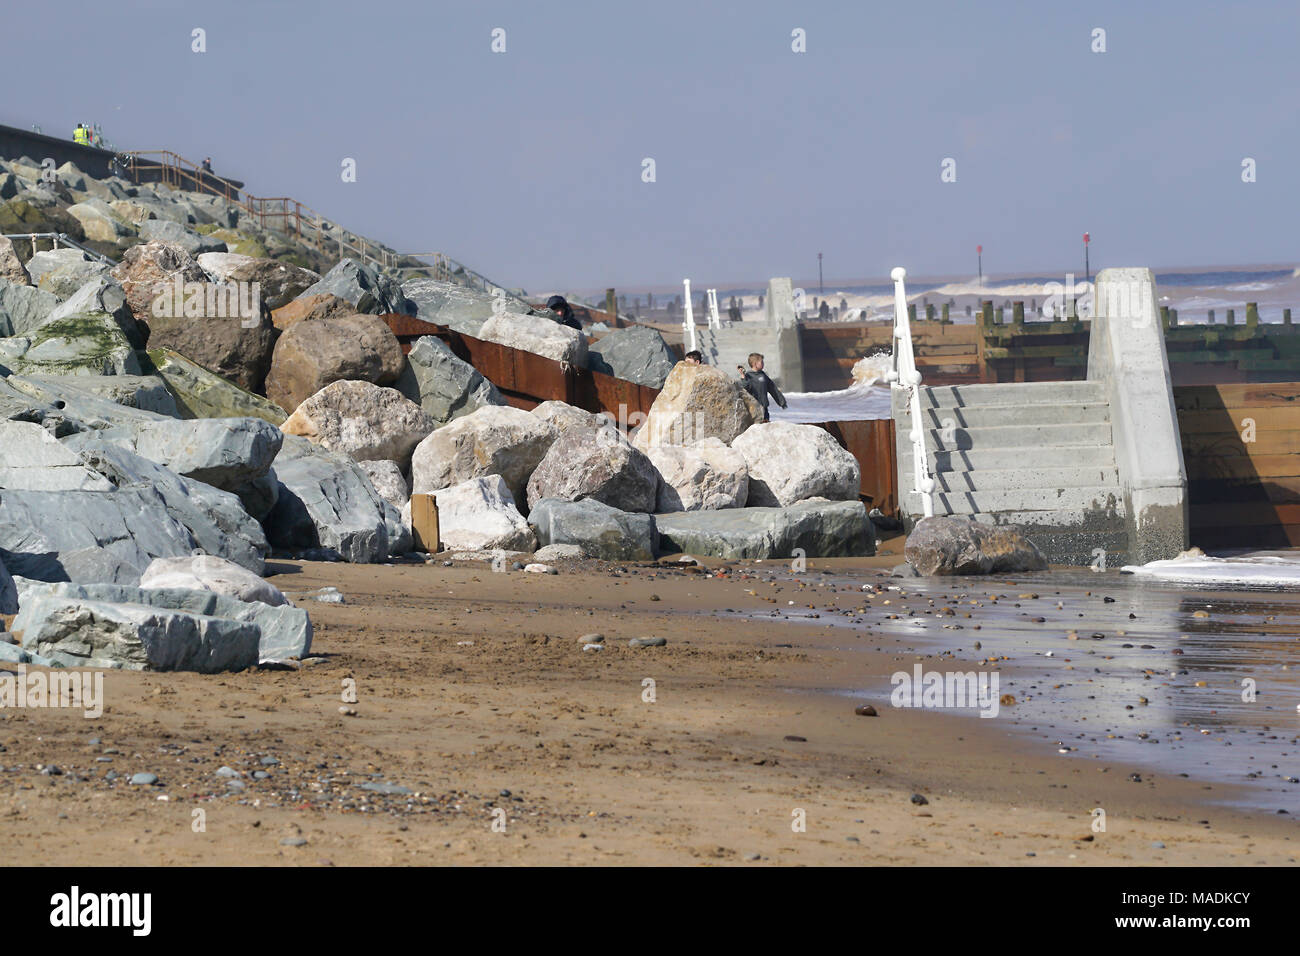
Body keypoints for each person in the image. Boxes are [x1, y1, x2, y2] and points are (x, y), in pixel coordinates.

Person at [741, 353, 787, 422]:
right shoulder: (748, 375)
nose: (763, 364)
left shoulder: (763, 375)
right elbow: (745, 389)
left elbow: (773, 389)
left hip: (764, 407)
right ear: (754, 364)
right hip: (752, 408)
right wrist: (743, 377)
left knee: (765, 427)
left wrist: (782, 402)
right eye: (761, 362)